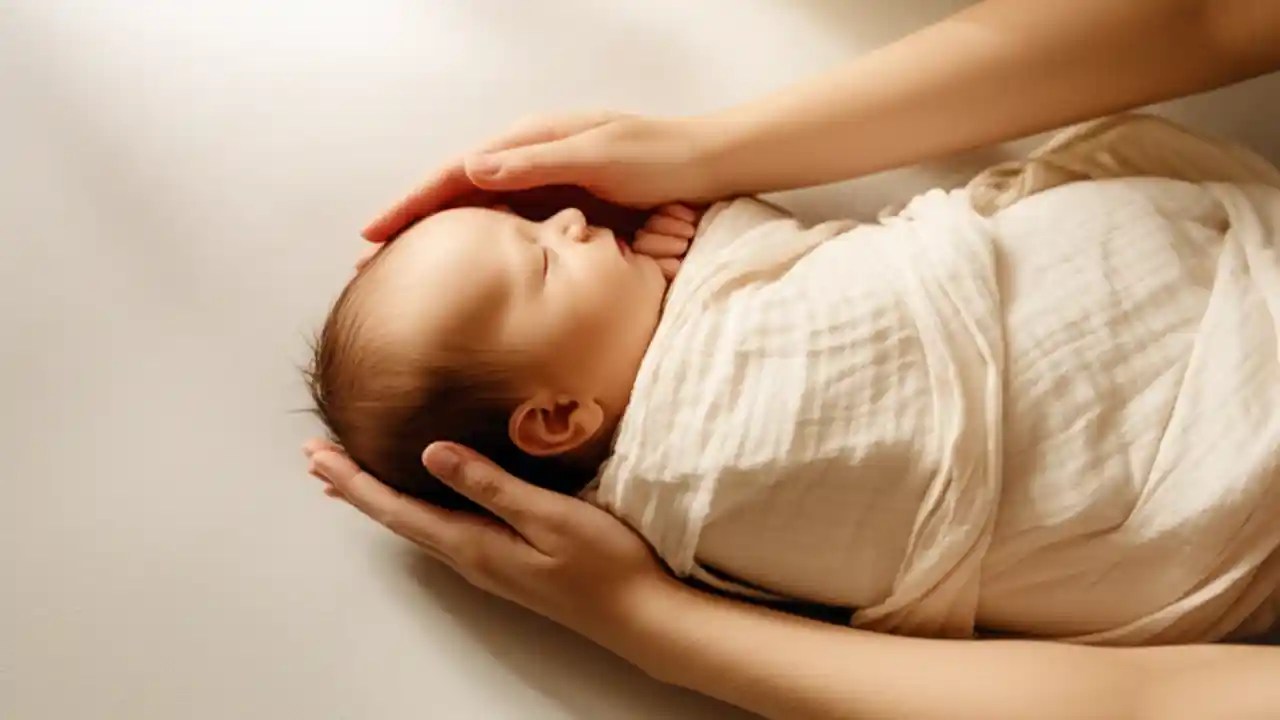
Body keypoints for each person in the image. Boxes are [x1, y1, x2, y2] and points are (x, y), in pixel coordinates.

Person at [305, 0, 1280, 717]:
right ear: (556, 420)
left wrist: (645, 622)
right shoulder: (688, 474)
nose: (563, 217)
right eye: (536, 259)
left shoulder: (707, 354)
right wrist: (706, 170)